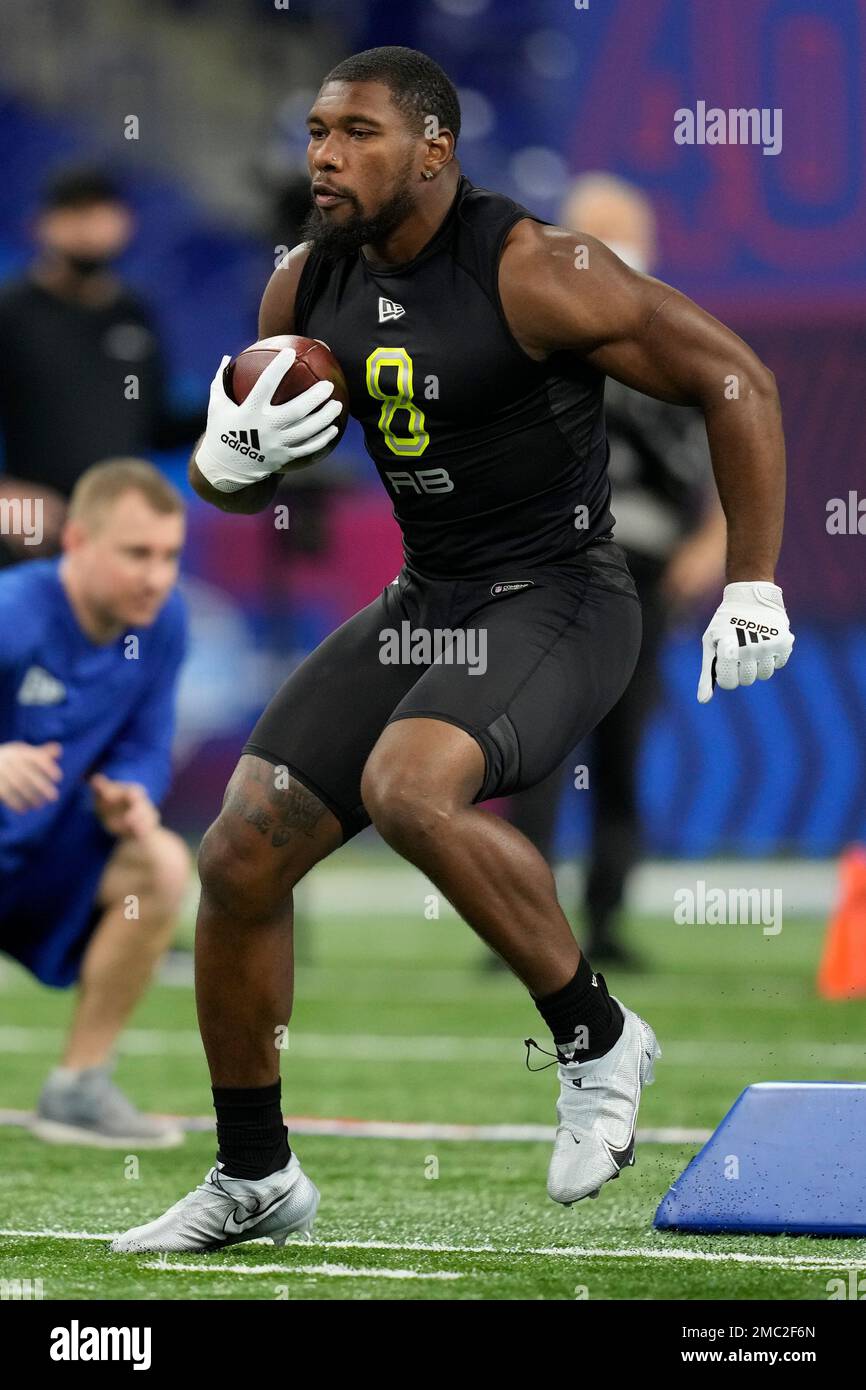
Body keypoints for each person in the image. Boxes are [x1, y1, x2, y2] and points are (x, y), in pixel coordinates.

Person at [112, 46, 794, 1254]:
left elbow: (732, 379)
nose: (324, 154)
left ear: (434, 147)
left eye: (358, 132)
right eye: (317, 130)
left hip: (563, 592)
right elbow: (255, 464)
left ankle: (594, 1035)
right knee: (240, 852)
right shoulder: (299, 288)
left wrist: (751, 579)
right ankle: (255, 1175)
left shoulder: (535, 265)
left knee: (406, 784)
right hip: (430, 592)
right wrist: (226, 470)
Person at [506, 173, 727, 967]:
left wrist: (716, 544)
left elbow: (733, 429)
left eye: (621, 231)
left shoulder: (677, 330)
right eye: (592, 230)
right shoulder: (527, 325)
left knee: (622, 747)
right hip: (548, 563)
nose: (608, 247)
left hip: (644, 566)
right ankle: (522, 924)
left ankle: (605, 920)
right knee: (533, 748)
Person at [0, 459, 190, 1146]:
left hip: (40, 857)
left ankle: (78, 1088)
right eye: (137, 553)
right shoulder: (13, 612)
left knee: (162, 863)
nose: (157, 576)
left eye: (170, 555)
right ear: (77, 542)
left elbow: (147, 744)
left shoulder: (164, 624)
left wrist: (131, 795)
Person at [0, 167, 203, 565]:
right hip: (27, 541)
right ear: (42, 224)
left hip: (112, 539)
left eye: (101, 212)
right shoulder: (12, 314)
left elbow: (156, 428)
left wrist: (235, 400)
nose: (90, 227)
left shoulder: (134, 315)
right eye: (75, 212)